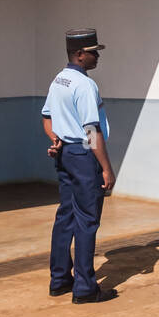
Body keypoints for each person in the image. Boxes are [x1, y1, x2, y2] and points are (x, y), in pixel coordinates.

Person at [41, 29, 117, 303]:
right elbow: (91, 131)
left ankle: (60, 280)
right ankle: (85, 288)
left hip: (65, 155)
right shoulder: (85, 85)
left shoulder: (59, 80)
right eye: (93, 52)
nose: (97, 56)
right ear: (79, 54)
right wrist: (106, 168)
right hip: (84, 156)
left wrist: (55, 139)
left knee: (66, 217)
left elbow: (47, 117)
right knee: (86, 221)